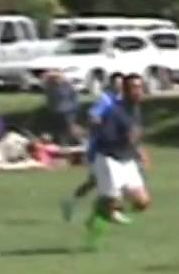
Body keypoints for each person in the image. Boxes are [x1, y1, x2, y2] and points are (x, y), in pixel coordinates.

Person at [85, 74, 151, 250]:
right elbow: (105, 138)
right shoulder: (115, 111)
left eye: (140, 87)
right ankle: (97, 223)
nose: (139, 91)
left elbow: (134, 135)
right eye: (134, 88)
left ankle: (102, 210)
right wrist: (126, 140)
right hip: (109, 159)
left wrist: (139, 150)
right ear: (125, 90)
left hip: (127, 160)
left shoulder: (136, 109)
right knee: (111, 203)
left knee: (143, 202)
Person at [62, 73, 124, 223]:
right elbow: (93, 116)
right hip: (98, 147)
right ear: (111, 84)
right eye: (118, 83)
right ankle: (112, 211)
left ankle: (71, 202)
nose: (120, 86)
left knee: (95, 181)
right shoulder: (106, 99)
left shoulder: (120, 101)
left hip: (111, 147)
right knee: (112, 178)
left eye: (122, 83)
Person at [43, 70, 81, 147]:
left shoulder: (67, 86)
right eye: (53, 78)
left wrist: (75, 108)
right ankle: (63, 143)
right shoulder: (50, 86)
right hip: (56, 111)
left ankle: (77, 141)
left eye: (57, 77)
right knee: (60, 129)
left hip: (68, 111)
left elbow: (74, 97)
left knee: (69, 127)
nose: (55, 79)